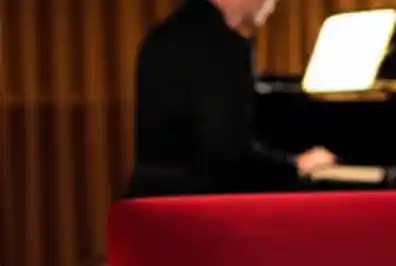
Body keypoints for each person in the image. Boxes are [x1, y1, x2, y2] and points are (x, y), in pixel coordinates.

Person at [128, 0, 335, 197]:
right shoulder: (216, 45)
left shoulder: (165, 35)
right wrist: (294, 166)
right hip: (197, 208)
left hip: (157, 202)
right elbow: (227, 154)